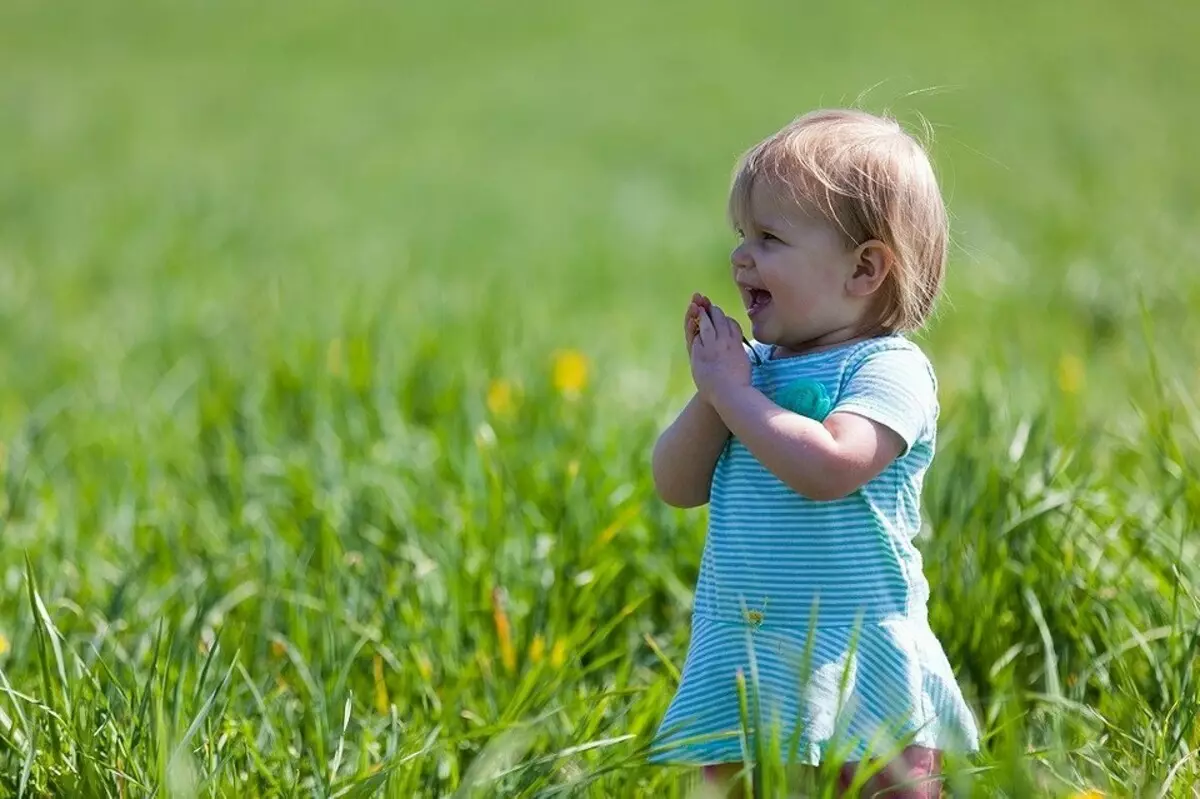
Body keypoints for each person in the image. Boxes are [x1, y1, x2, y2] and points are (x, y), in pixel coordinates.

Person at [649, 109, 980, 798]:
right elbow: (675, 483)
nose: (741, 257)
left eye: (769, 238)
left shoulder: (888, 370)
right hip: (749, 663)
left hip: (862, 665)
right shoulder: (751, 374)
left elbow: (832, 466)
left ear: (865, 268)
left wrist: (737, 396)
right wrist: (716, 393)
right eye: (742, 235)